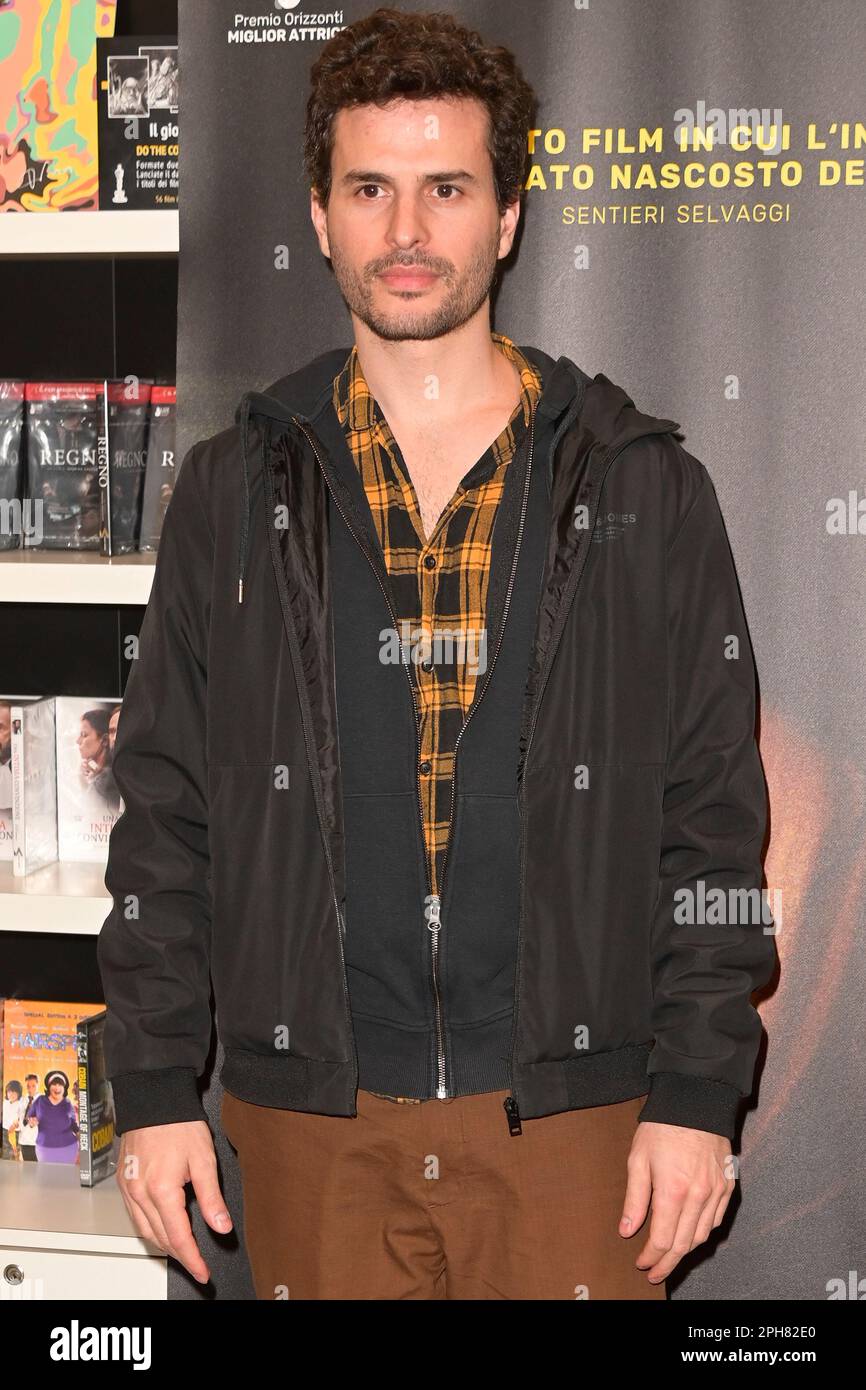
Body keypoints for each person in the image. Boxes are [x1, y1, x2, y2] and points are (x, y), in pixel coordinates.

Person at [97, 7, 775, 1300]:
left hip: (582, 1129)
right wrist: (148, 1083)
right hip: (310, 1125)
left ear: (506, 216)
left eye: (445, 188)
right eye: (371, 189)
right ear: (320, 210)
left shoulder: (643, 487)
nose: (406, 234)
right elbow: (167, 816)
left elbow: (712, 822)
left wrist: (697, 1092)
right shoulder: (228, 490)